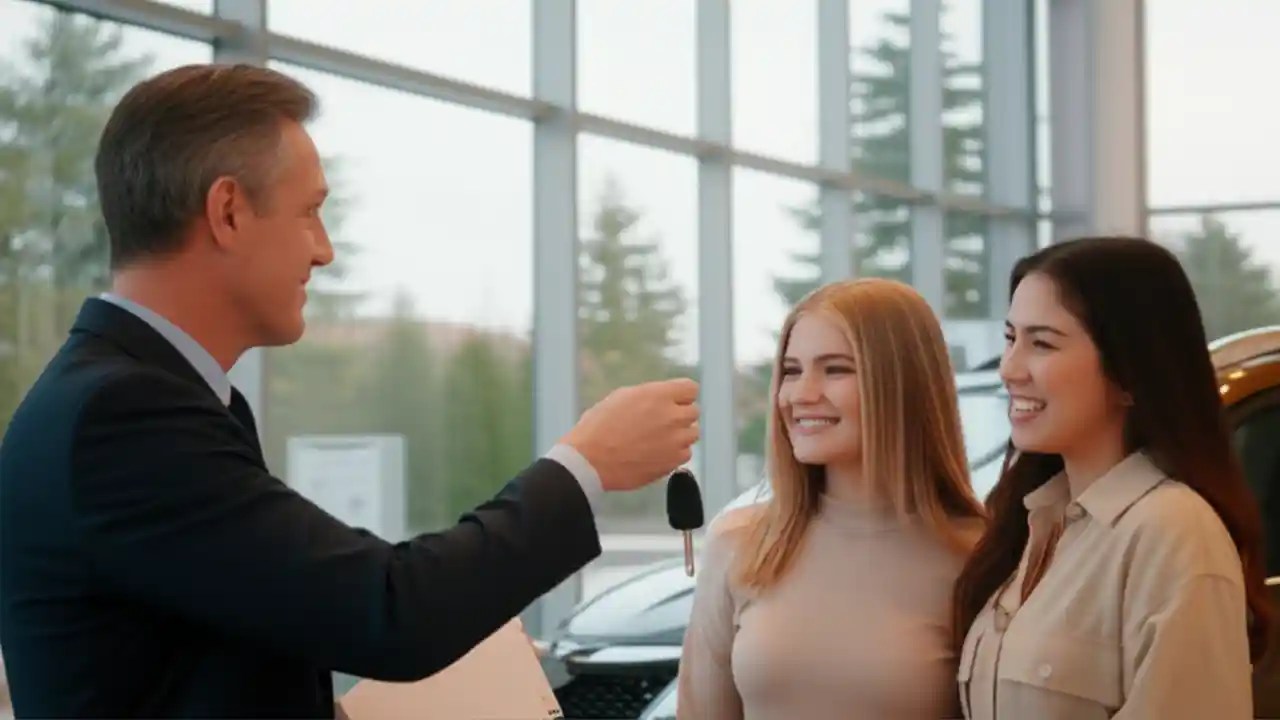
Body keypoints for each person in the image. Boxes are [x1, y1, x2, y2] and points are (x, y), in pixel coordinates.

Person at [0, 64, 700, 718]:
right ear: (229, 212)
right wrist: (586, 466)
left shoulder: (135, 397)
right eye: (309, 212)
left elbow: (235, 639)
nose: (323, 248)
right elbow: (389, 612)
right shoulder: (121, 418)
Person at [951, 237, 1270, 719]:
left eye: (1042, 343)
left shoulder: (1172, 531)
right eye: (1011, 338)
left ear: (1128, 372)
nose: (1009, 369)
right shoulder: (1036, 523)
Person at [677, 278, 987, 719]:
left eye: (836, 369)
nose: (801, 395)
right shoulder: (738, 542)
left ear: (903, 384)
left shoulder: (980, 555)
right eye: (791, 371)